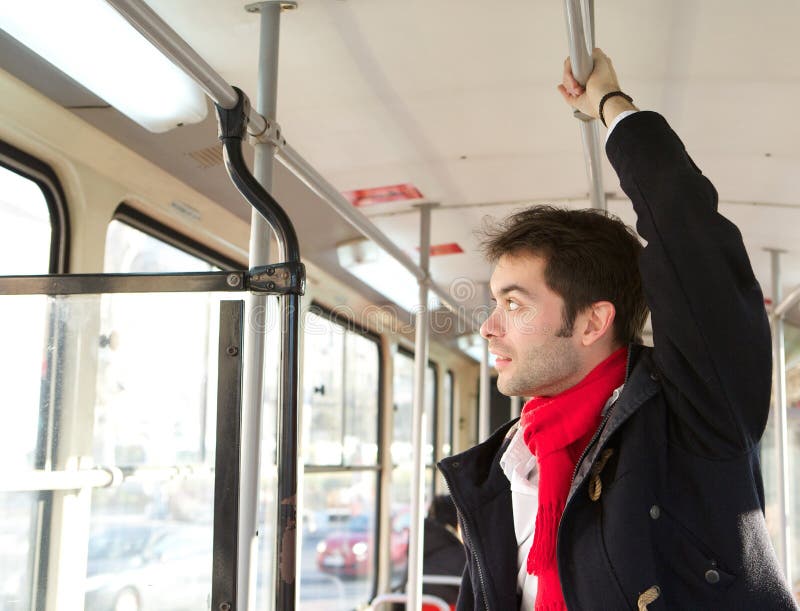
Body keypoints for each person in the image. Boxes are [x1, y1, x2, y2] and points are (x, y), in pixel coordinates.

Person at [438, 49, 797, 610]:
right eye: (494, 303)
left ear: (592, 321)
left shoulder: (693, 415)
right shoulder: (509, 463)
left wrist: (611, 107)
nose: (488, 327)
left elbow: (691, 239)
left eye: (514, 303)